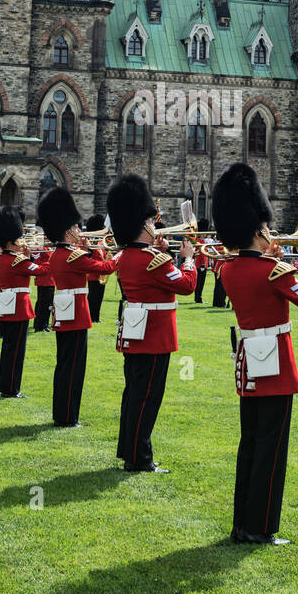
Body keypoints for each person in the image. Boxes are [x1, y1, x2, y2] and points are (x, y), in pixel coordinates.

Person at [214, 163, 298, 546]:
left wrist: (274, 257)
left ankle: (241, 523)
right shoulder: (273, 270)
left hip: (249, 362)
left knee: (250, 445)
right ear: (259, 228)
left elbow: (259, 274)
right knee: (271, 450)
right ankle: (259, 528)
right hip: (275, 367)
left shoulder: (230, 270)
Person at [107, 174, 196, 473]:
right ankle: (139, 457)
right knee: (147, 399)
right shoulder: (152, 260)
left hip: (134, 332)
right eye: (152, 221)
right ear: (143, 223)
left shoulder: (129, 256)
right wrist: (188, 259)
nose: (155, 225)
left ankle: (129, 450)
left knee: (133, 394)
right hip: (155, 335)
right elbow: (186, 286)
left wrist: (162, 254)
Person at [38, 187, 119, 426]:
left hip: (65, 312)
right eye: (75, 228)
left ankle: (61, 413)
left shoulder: (59, 255)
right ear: (67, 231)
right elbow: (105, 268)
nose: (79, 230)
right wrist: (121, 254)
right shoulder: (72, 256)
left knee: (64, 365)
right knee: (73, 369)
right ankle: (68, 417)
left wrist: (86, 251)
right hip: (75, 314)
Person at [0, 206, 43, 399]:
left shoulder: (4, 258)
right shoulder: (17, 261)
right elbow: (42, 271)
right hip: (19, 308)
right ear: (11, 240)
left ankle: (6, 386)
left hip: (8, 306)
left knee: (9, 349)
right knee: (16, 352)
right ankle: (11, 389)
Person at [85, 214, 109, 323]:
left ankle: (96, 318)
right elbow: (89, 258)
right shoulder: (91, 243)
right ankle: (91, 317)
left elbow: (103, 256)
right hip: (93, 275)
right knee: (93, 298)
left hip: (102, 275)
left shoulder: (100, 242)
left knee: (99, 298)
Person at [193, 217, 210, 303]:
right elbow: (201, 255)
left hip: (201, 264)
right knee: (200, 282)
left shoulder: (201, 241)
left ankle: (198, 297)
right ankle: (198, 298)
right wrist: (203, 264)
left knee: (200, 282)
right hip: (201, 264)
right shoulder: (199, 241)